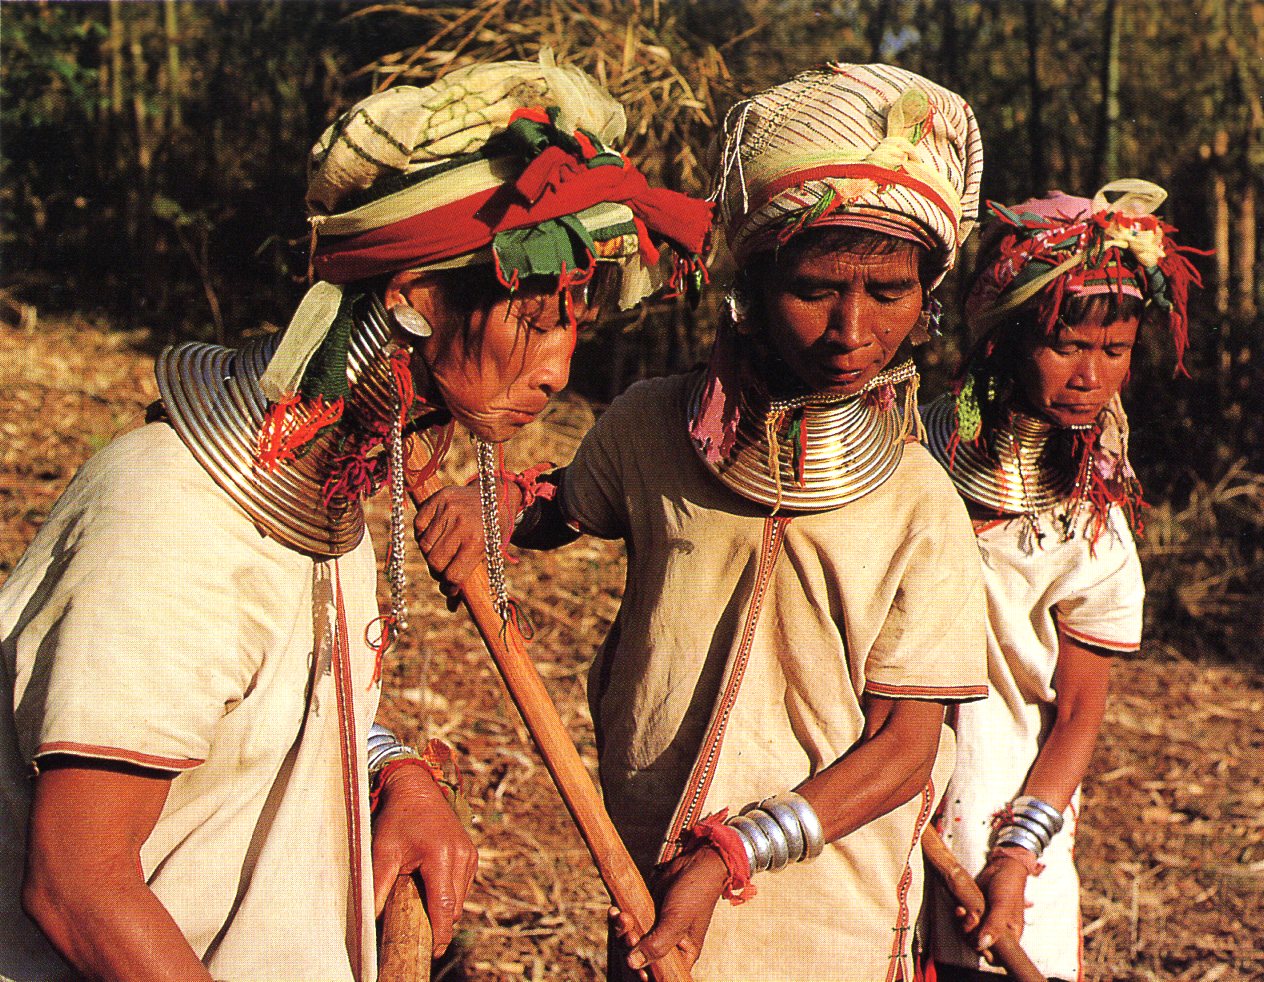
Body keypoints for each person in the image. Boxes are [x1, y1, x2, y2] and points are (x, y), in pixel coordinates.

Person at [0, 56, 711, 982]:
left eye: (571, 323)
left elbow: (264, 711)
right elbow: (79, 885)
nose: (557, 369)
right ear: (412, 298)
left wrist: (393, 772)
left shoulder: (323, 502)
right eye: (533, 319)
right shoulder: (173, 520)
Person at [417, 63, 989, 981]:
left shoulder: (920, 505)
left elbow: (903, 750)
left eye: (888, 292)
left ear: (926, 299)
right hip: (644, 879)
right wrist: (482, 505)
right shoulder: (651, 426)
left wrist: (734, 853)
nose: (851, 327)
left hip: (819, 913)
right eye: (814, 289)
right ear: (754, 287)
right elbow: (562, 506)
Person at [919, 180, 1205, 982]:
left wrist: (1015, 854)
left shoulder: (1094, 525)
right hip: (869, 807)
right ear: (1004, 341)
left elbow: (1079, 713)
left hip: (998, 823)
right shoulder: (901, 463)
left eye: (1113, 352)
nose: (1091, 375)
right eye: (1067, 345)